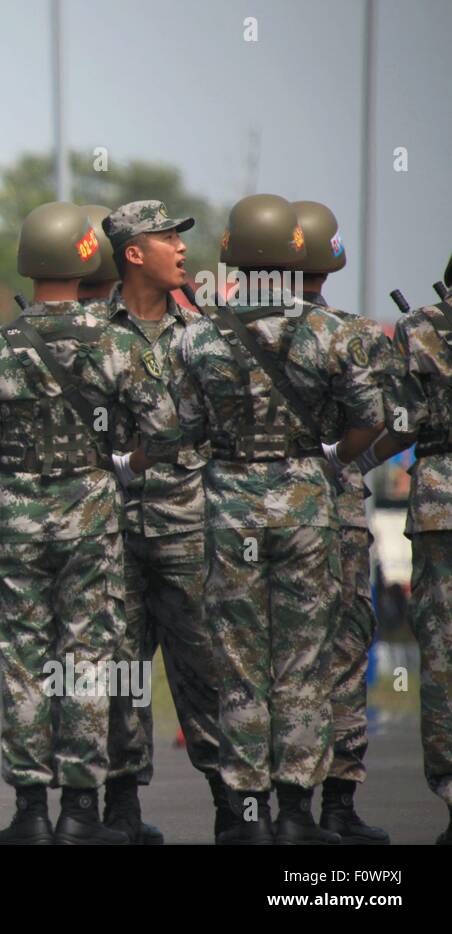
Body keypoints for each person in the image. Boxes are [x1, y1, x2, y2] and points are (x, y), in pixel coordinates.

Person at [0, 201, 181, 845]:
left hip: (21, 518)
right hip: (93, 518)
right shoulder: (116, 341)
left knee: (24, 662)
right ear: (89, 258)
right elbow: (165, 428)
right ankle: (82, 809)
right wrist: (121, 463)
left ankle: (29, 810)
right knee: (86, 662)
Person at [175, 194, 385, 845]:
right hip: (307, 506)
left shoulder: (199, 336)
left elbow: (180, 429)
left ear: (233, 254)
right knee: (303, 662)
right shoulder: (334, 333)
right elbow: (372, 416)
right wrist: (332, 457)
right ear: (299, 253)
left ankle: (246, 815)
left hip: (229, 504)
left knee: (239, 663)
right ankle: (297, 812)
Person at [99, 200, 224, 844]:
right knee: (119, 670)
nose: (181, 247)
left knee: (207, 664)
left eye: (181, 237)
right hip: (112, 528)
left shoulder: (206, 332)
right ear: (133, 253)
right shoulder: (95, 331)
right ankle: (120, 809)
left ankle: (236, 809)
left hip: (191, 521)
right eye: (166, 237)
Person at [290, 199, 392, 845]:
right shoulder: (352, 335)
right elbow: (388, 421)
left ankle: (277, 807)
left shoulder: (230, 334)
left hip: (258, 520)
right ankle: (337, 806)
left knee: (274, 659)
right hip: (341, 516)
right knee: (341, 659)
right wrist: (343, 461)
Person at [368, 252, 452, 845]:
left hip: (441, 504)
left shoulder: (421, 328)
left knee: (444, 660)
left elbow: (397, 422)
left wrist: (348, 459)